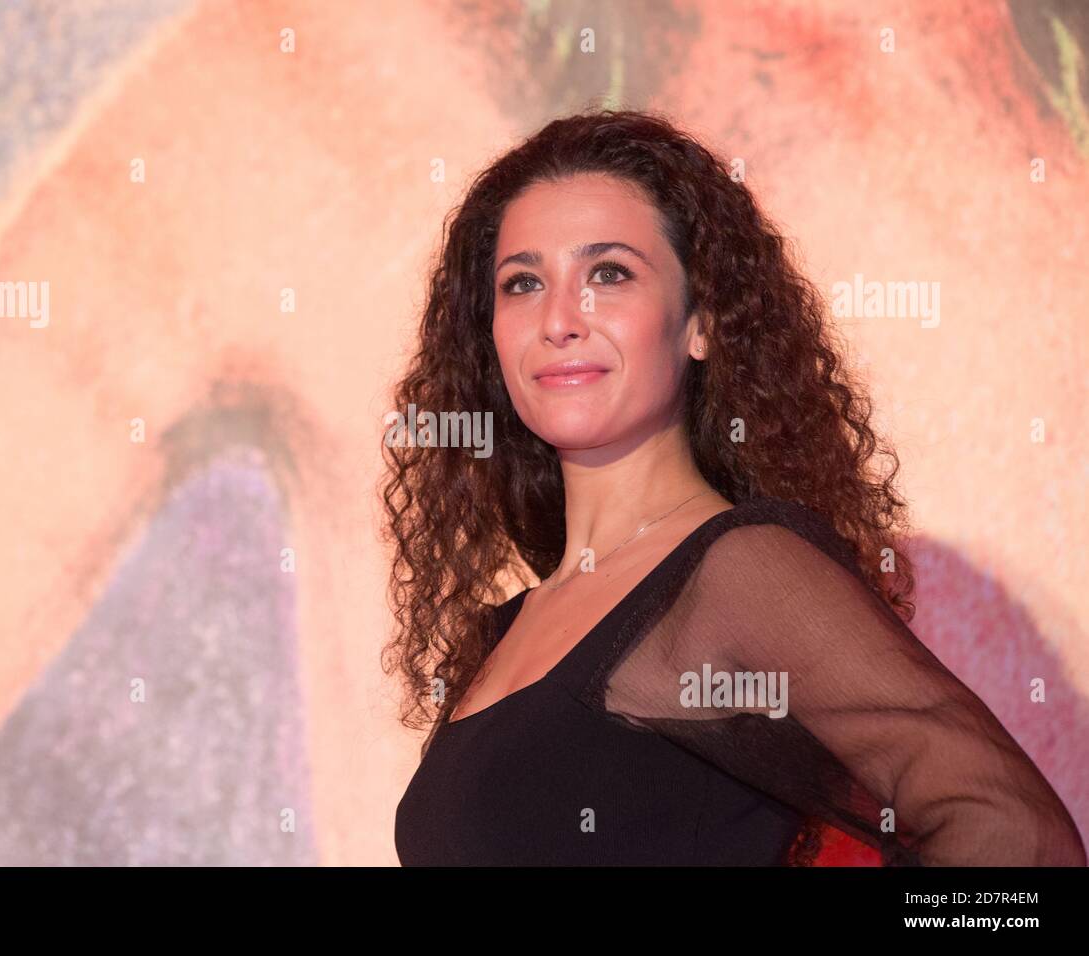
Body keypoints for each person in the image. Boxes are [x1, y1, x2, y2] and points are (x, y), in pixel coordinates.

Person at [382, 108, 1085, 866]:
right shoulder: (503, 632)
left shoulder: (736, 572)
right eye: (523, 283)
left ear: (701, 323)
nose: (559, 319)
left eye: (608, 274)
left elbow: (1021, 839)